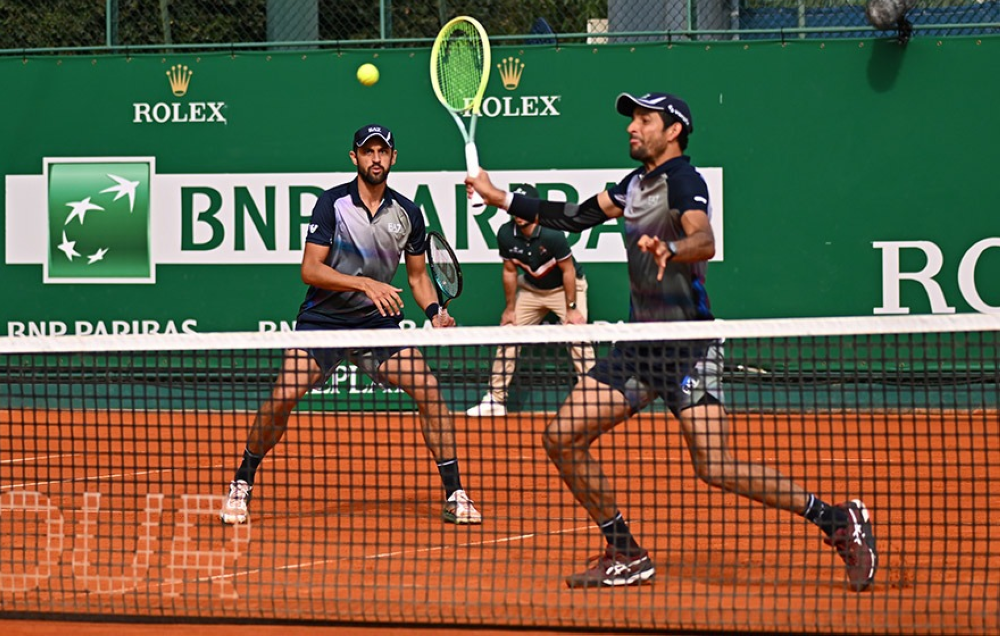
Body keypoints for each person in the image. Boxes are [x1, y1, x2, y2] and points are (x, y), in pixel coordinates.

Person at [465, 93, 876, 590]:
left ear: (673, 130)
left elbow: (704, 239)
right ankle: (625, 552)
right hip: (639, 346)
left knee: (715, 466)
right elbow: (574, 216)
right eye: (632, 119)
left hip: (688, 347)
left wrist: (672, 247)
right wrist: (499, 197)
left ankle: (836, 520)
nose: (632, 127)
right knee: (561, 437)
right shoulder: (632, 185)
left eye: (645, 120)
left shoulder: (684, 181)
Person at [220, 124, 482, 526]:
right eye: (367, 151)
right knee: (283, 396)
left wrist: (434, 312)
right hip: (324, 322)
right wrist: (364, 284)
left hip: (377, 327)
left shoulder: (408, 213)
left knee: (428, 388)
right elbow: (310, 269)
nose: (375, 158)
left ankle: (454, 493)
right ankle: (242, 480)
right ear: (354, 157)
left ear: (393, 158)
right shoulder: (332, 204)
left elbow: (417, 277)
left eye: (382, 151)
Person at [466, 184, 594, 417]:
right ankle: (495, 400)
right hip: (532, 290)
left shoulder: (552, 233)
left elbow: (568, 271)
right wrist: (510, 309)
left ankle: (593, 397)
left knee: (578, 333)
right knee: (508, 333)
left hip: (565, 289)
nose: (519, 214)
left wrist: (572, 309)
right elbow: (509, 271)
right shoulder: (506, 234)